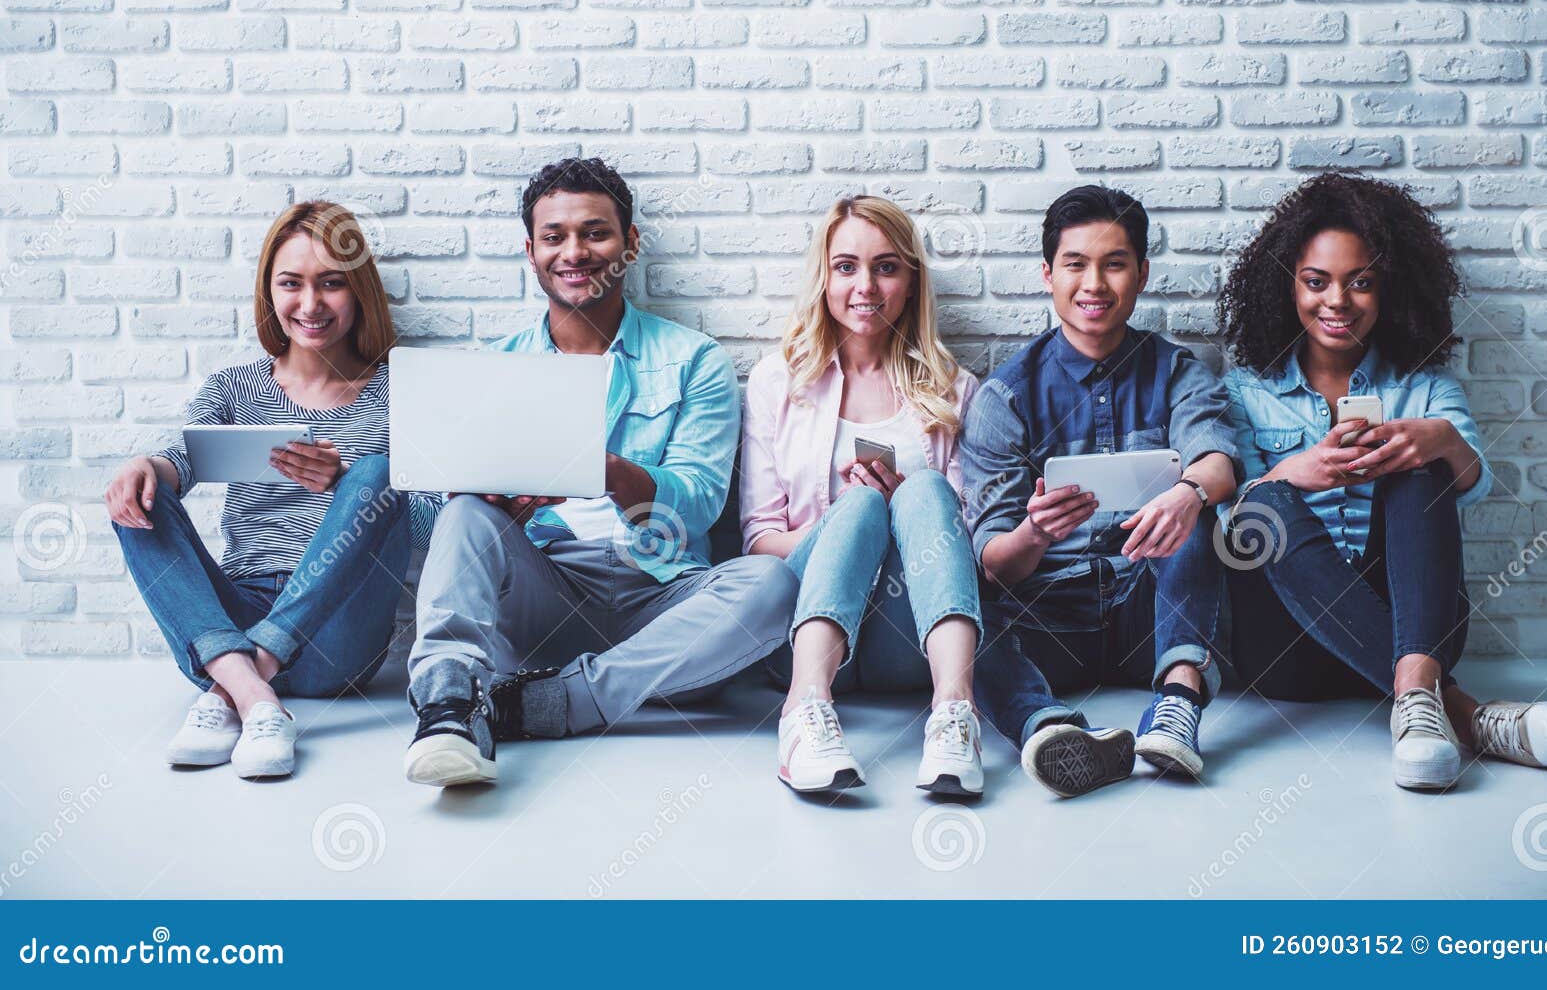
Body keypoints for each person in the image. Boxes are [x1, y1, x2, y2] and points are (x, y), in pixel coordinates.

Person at [403, 157, 797, 788]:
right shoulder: (494, 367)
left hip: (662, 601)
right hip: (545, 594)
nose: (575, 252)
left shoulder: (695, 360)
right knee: (463, 511)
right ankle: (448, 705)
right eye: (554, 237)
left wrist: (604, 470)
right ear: (530, 252)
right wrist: (487, 500)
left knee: (773, 584)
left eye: (595, 233)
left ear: (630, 243)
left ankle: (556, 702)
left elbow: (696, 506)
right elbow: (438, 532)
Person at [1217, 171, 1547, 789]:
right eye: (1316, 282)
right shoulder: (1244, 392)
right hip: (1285, 648)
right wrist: (1291, 473)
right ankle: (1464, 713)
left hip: (1417, 622)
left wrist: (1441, 440)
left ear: (1389, 290)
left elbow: (1479, 484)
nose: (1337, 300)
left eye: (1360, 282)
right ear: (1288, 288)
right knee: (1267, 503)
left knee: (1421, 473)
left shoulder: (1425, 386)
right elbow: (1232, 532)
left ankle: (1416, 697)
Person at [106, 202, 442, 779]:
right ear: (270, 292)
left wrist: (346, 482)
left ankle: (231, 688)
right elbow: (180, 460)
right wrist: (146, 466)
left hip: (338, 636)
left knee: (379, 472)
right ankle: (254, 695)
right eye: (291, 284)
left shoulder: (399, 391)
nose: (309, 305)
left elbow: (439, 525)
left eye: (331, 284)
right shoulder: (234, 387)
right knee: (136, 489)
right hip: (230, 624)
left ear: (358, 291)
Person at [960, 185, 1238, 798]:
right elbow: (995, 565)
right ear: (1047, 275)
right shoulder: (1004, 397)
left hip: (1152, 607)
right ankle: (1050, 729)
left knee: (1198, 517)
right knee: (961, 605)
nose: (1095, 284)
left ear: (1141, 274)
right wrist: (1035, 531)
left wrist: (1187, 493)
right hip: (1050, 614)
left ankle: (1177, 706)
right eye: (1075, 264)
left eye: (1114, 264)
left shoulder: (1177, 372)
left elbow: (1218, 462)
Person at [741, 196, 985, 797]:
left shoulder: (955, 392)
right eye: (846, 266)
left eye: (886, 267)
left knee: (923, 488)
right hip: (802, 633)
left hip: (911, 639)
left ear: (911, 281)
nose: (865, 286)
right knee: (862, 502)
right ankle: (804, 712)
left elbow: (971, 547)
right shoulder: (779, 381)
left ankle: (955, 714)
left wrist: (903, 510)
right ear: (824, 277)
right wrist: (854, 519)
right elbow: (758, 540)